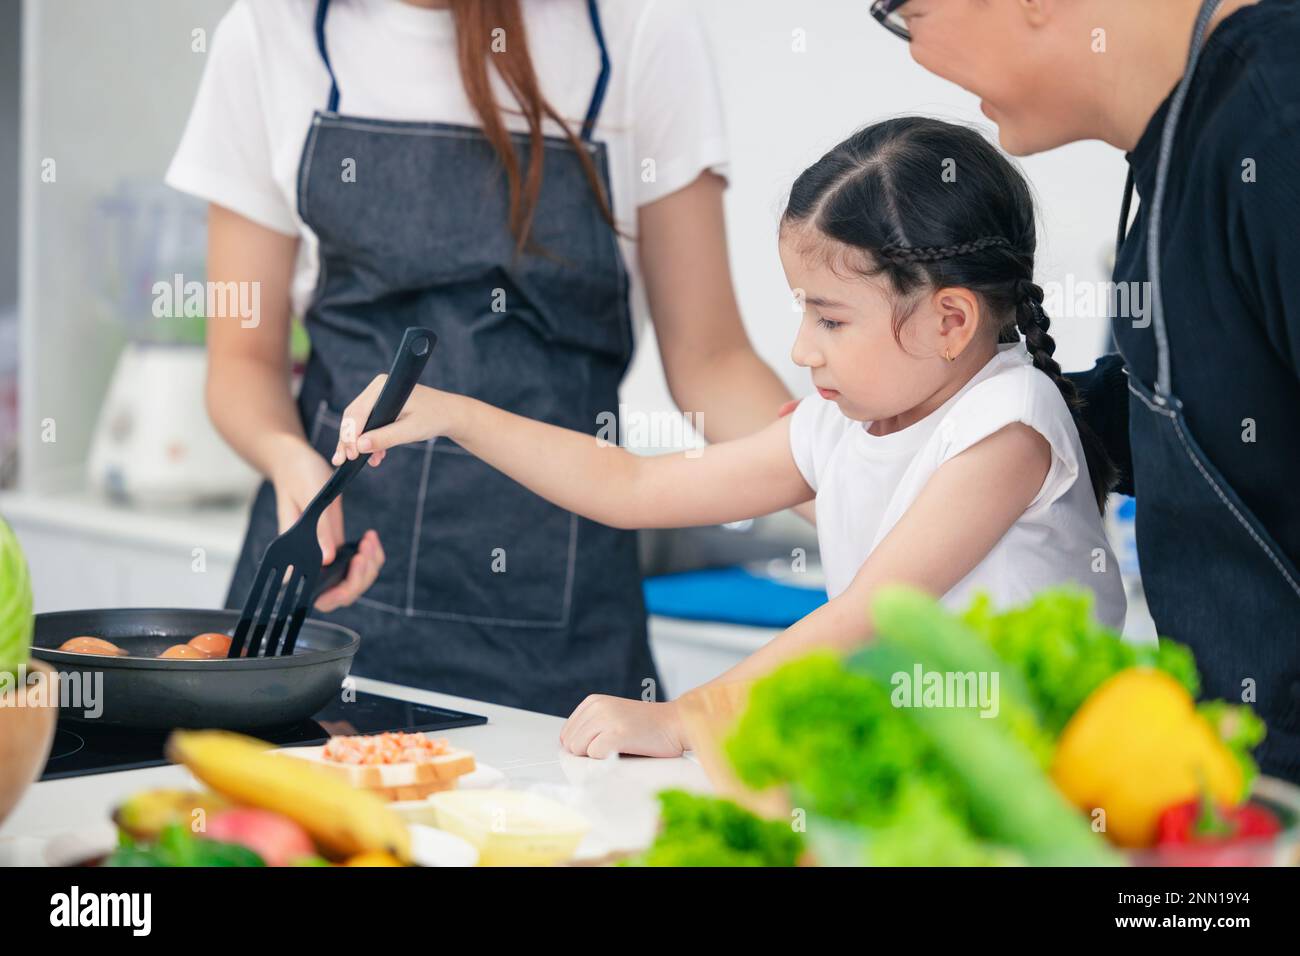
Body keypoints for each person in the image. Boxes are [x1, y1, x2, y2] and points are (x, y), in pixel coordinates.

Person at [331, 117, 1128, 758]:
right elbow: (631, 488)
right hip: (930, 772)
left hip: (1049, 782)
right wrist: (454, 415)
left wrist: (688, 717)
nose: (802, 349)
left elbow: (874, 611)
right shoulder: (841, 423)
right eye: (802, 311)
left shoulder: (1008, 424)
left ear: (949, 319)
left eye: (831, 317)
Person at [165, 0, 796, 716]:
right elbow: (242, 361)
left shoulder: (637, 29)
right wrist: (286, 457)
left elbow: (712, 360)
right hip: (327, 595)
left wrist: (833, 470)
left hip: (562, 631)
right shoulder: (271, 31)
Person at [869, 0, 1300, 782]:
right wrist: (980, 421)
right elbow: (1230, 415)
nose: (916, 51)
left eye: (909, 12)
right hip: (1247, 795)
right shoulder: (1182, 149)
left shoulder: (1281, 119)